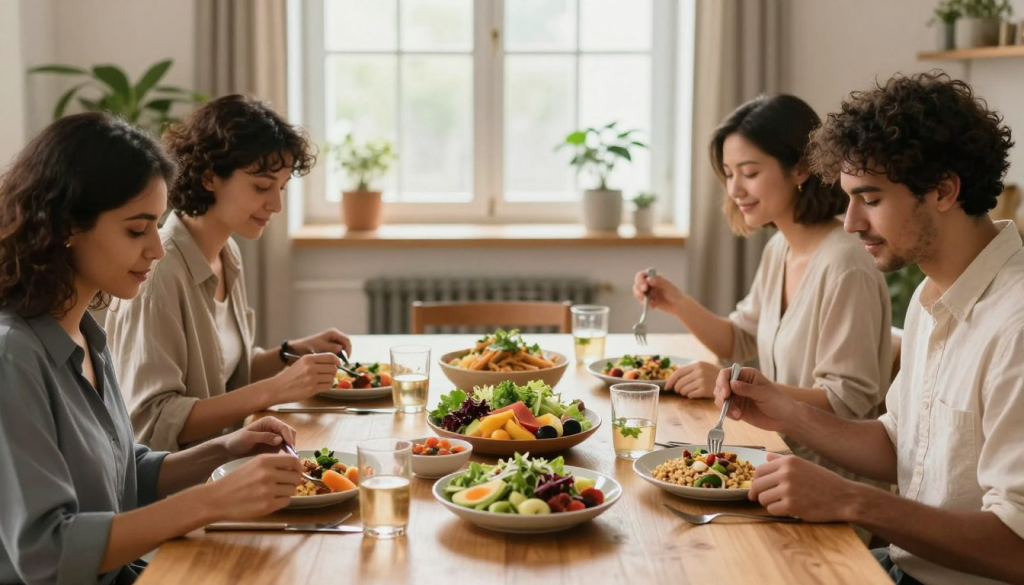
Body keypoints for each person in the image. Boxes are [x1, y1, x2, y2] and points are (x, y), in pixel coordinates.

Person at [715, 72, 1024, 585]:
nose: (852, 223)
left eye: (871, 199)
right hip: (905, 569)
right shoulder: (934, 298)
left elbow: (1016, 547)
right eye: (849, 198)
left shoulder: (1014, 326)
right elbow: (897, 443)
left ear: (945, 189)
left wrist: (850, 499)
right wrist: (785, 410)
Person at [0, 112, 305, 584]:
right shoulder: (13, 358)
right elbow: (46, 553)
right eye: (136, 230)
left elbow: (123, 476)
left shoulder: (84, 334)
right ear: (67, 226)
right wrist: (213, 500)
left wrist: (225, 449)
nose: (158, 250)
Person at [633, 94, 892, 469]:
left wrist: (735, 385)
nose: (735, 189)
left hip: (827, 479)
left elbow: (846, 399)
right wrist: (675, 302)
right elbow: (740, 338)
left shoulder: (845, 265)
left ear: (801, 168)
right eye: (729, 173)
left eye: (750, 173)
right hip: (774, 454)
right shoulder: (779, 248)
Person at [106, 95, 349, 452]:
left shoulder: (226, 252)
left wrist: (289, 353)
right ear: (209, 177)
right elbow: (152, 421)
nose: (276, 205)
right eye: (262, 187)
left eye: (280, 188)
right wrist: (279, 387)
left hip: (226, 462)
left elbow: (223, 375)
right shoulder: (159, 272)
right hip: (183, 487)